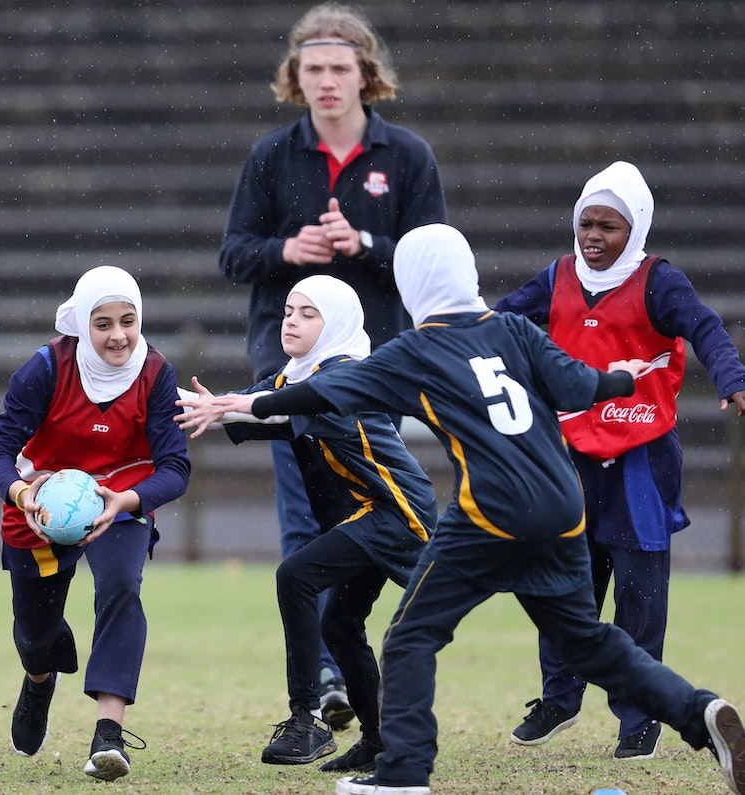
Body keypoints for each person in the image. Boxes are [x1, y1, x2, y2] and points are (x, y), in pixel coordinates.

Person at [200, 223, 745, 795]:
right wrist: (618, 378)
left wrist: (252, 403)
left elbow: (328, 390)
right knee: (588, 642)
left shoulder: (420, 349)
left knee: (411, 636)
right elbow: (580, 386)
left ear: (413, 282)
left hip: (490, 510)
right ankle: (699, 713)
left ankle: (402, 775)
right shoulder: (511, 328)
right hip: (561, 506)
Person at [217, 2, 447, 723]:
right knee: (306, 525)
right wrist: (288, 251)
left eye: (339, 67)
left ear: (366, 74)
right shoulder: (271, 155)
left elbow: (434, 260)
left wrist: (367, 247)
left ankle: (380, 652)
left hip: (377, 376)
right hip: (291, 377)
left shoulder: (406, 156)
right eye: (312, 68)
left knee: (387, 511)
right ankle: (326, 678)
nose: (325, 80)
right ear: (296, 75)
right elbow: (233, 255)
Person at [494, 161, 745, 759]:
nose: (593, 237)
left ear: (636, 229)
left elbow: (707, 328)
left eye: (608, 225)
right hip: (569, 456)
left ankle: (640, 720)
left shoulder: (660, 282)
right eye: (586, 224)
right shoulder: (556, 277)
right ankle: (559, 698)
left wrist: (732, 377)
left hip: (640, 456)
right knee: (561, 584)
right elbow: (498, 323)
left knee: (638, 595)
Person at [175, 274, 436, 771]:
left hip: (398, 514)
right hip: (367, 516)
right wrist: (187, 407)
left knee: (294, 575)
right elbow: (263, 406)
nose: (290, 320)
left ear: (335, 322)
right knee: (339, 624)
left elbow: (285, 405)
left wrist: (233, 406)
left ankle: (306, 721)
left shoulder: (345, 373)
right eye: (289, 311)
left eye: (307, 313)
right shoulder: (298, 374)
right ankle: (379, 741)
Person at [0, 265, 191, 782]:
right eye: (103, 324)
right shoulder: (45, 368)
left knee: (121, 584)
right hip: (41, 507)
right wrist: (21, 491)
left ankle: (108, 734)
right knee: (35, 637)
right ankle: (38, 680)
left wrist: (127, 501)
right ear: (81, 325)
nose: (118, 335)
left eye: (128, 321)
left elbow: (175, 468)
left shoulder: (156, 374)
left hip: (118, 503)